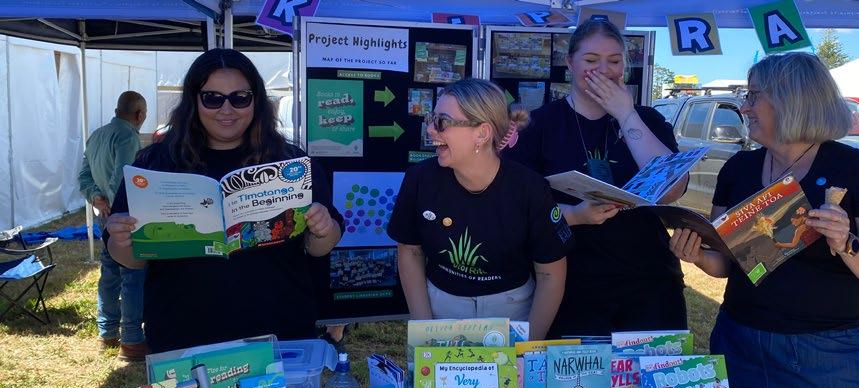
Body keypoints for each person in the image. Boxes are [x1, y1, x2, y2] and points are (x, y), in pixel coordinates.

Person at [669, 52, 859, 388]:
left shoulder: (855, 169)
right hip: (740, 342)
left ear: (791, 100)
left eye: (753, 96)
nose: (744, 106)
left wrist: (846, 243)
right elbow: (724, 263)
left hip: (827, 355)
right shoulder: (738, 169)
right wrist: (696, 254)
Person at [104, 49, 343, 353]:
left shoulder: (291, 163)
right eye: (212, 98)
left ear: (256, 100)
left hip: (280, 334)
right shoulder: (154, 164)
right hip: (184, 338)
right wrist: (122, 239)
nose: (226, 109)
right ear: (194, 101)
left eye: (240, 98)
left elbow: (321, 245)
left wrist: (323, 228)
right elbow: (131, 259)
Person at [506, 18, 689, 337]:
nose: (603, 70)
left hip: (649, 284)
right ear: (569, 63)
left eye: (614, 61)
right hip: (570, 284)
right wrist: (574, 214)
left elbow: (673, 189)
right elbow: (516, 206)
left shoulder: (648, 119)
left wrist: (626, 114)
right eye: (591, 60)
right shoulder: (539, 125)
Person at [388, 78, 571, 340]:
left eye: (442, 122)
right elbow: (410, 251)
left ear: (482, 134)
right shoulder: (419, 179)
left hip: (512, 315)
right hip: (441, 311)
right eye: (431, 118)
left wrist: (529, 347)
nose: (430, 129)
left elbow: (550, 274)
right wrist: (424, 331)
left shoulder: (529, 189)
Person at [78, 91, 149, 361]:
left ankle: (106, 332)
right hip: (124, 215)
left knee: (109, 274)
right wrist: (118, 208)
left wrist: (96, 197)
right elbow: (123, 177)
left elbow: (83, 175)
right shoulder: (128, 136)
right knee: (132, 276)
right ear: (139, 115)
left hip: (104, 212)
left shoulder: (97, 135)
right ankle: (131, 340)